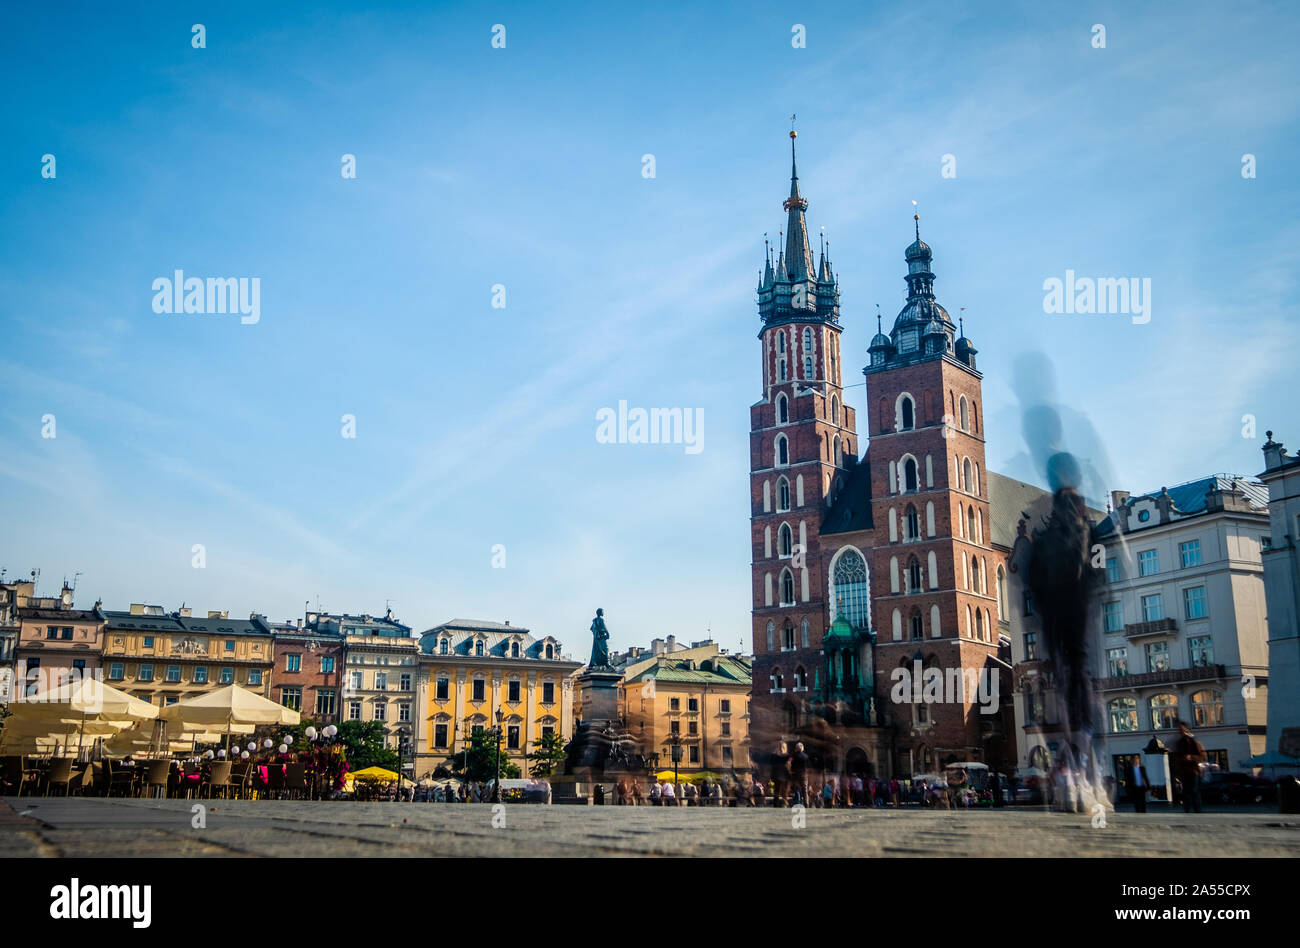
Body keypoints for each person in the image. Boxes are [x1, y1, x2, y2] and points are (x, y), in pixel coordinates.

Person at [1170, 721, 1206, 813]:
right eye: (1179, 730)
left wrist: (1191, 757)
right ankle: (1188, 811)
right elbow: (1175, 757)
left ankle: (1197, 811)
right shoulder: (1179, 743)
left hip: (1194, 771)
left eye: (1182, 729)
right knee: (1186, 792)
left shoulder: (1194, 742)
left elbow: (1202, 756)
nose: (1180, 732)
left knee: (1194, 791)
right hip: (1184, 771)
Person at [790, 742, 809, 806]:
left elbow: (791, 764)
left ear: (797, 748)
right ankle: (806, 803)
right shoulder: (806, 756)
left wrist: (791, 771)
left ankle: (798, 802)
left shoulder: (793, 756)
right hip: (804, 774)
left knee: (796, 789)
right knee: (805, 789)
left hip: (795, 774)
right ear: (802, 748)